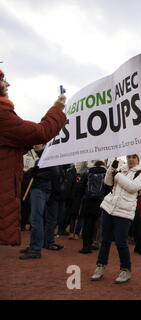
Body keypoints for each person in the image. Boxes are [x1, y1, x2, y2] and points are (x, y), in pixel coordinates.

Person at [0, 68, 67, 246]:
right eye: (2, 80)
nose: (7, 84)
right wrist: (58, 109)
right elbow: (41, 132)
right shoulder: (2, 115)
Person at [91, 155, 141, 284]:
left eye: (134, 157)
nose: (131, 159)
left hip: (124, 211)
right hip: (109, 207)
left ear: (138, 159)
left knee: (120, 241)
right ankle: (100, 266)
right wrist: (111, 168)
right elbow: (108, 182)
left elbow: (132, 187)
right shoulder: (121, 169)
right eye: (129, 157)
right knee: (104, 239)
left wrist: (117, 175)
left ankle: (126, 269)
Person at [19, 144, 65, 259]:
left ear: (44, 145)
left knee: (36, 219)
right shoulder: (44, 157)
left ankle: (35, 249)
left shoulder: (47, 156)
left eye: (38, 143)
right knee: (36, 219)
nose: (34, 145)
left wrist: (37, 174)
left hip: (40, 189)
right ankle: (33, 246)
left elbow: (55, 172)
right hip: (40, 189)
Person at [79, 161, 107, 254]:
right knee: (97, 225)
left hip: (88, 201)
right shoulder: (105, 174)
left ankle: (85, 246)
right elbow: (108, 189)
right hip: (99, 202)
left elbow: (80, 187)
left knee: (87, 224)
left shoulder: (88, 172)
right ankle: (93, 243)